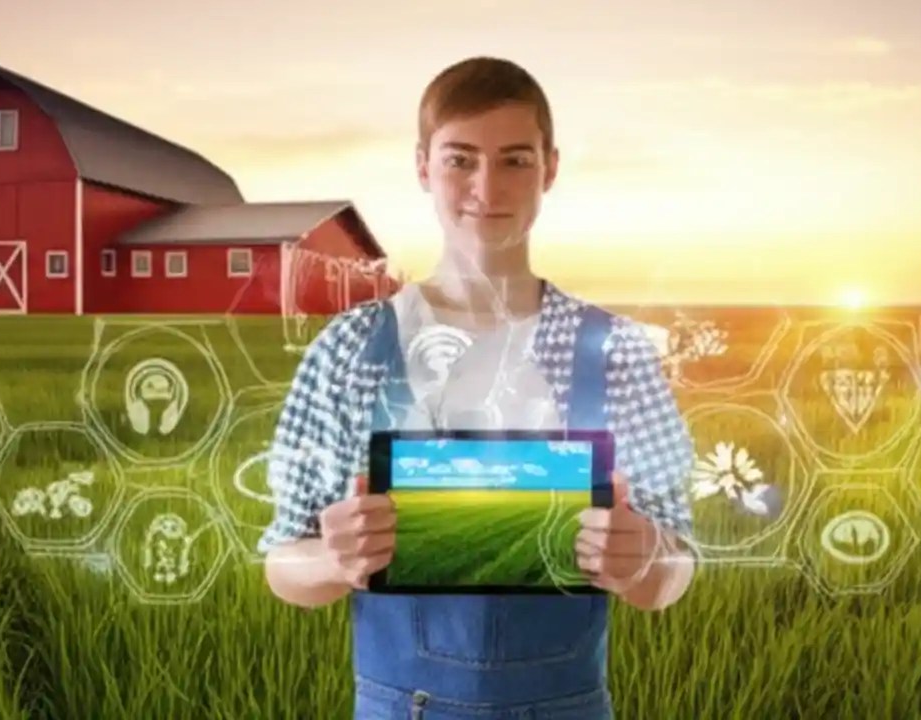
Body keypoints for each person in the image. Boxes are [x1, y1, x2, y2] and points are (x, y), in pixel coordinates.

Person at [259, 56, 698, 719]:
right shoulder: (349, 351)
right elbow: (281, 567)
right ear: (422, 166)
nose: (486, 187)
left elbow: (677, 566)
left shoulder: (617, 354)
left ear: (550, 166)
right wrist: (333, 558)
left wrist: (643, 565)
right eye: (461, 159)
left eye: (514, 160)